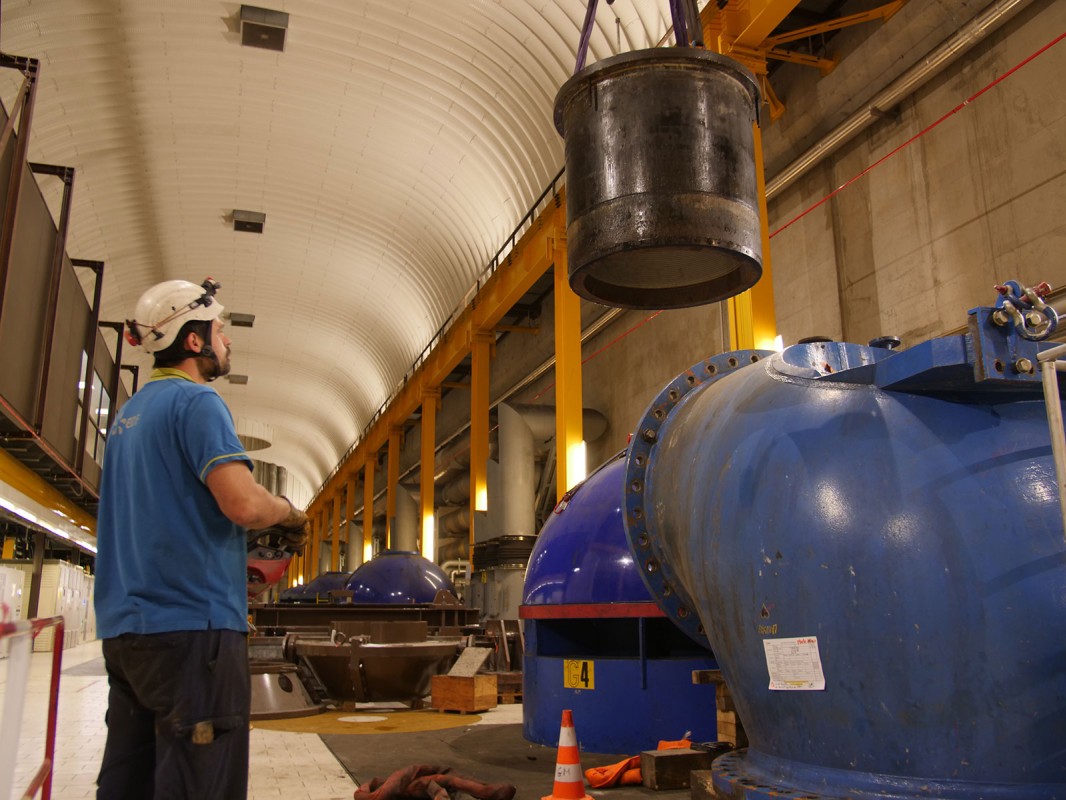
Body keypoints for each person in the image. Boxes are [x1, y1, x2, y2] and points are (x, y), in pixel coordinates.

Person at [94, 277, 310, 799]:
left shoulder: (128, 417)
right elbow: (242, 504)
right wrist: (287, 511)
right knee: (200, 782)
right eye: (219, 330)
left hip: (127, 633)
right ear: (193, 340)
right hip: (193, 632)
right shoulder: (197, 404)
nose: (227, 340)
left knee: (130, 783)